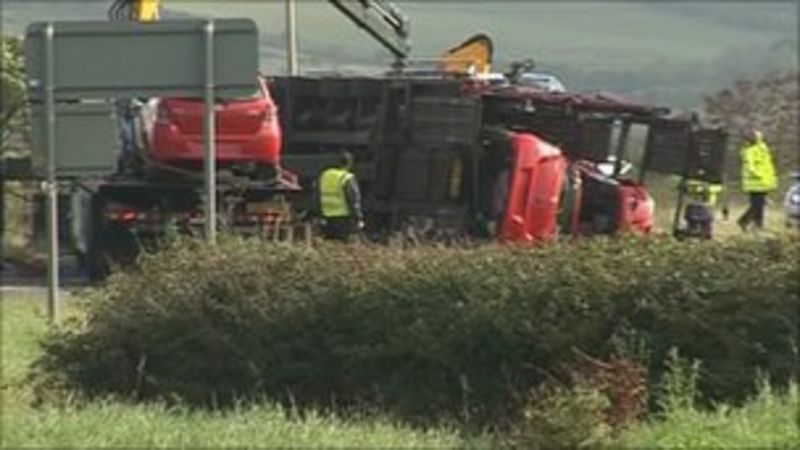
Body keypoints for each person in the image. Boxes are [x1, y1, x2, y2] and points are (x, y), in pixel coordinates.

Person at [317, 151, 364, 241]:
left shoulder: (325, 175)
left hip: (327, 216)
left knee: (329, 245)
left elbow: (317, 195)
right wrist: (358, 218)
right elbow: (354, 200)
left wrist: (319, 214)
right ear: (350, 164)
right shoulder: (347, 178)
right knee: (342, 243)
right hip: (343, 218)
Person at [737, 129, 778, 231]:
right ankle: (752, 223)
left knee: (759, 204)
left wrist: (769, 179)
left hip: (762, 182)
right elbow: (751, 167)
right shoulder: (750, 151)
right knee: (757, 205)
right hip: (755, 183)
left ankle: (752, 223)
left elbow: (767, 165)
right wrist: (759, 175)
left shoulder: (763, 149)